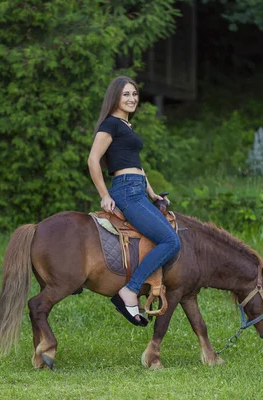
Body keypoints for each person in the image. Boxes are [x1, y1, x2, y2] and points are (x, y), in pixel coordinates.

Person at [87, 76, 181, 327]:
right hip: (126, 192)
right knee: (171, 240)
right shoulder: (111, 124)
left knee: (166, 236)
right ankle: (130, 290)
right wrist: (104, 194)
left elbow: (136, 166)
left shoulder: (126, 126)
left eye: (135, 94)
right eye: (126, 94)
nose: (132, 99)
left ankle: (134, 288)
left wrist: (152, 193)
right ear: (115, 97)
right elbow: (93, 160)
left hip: (137, 189)